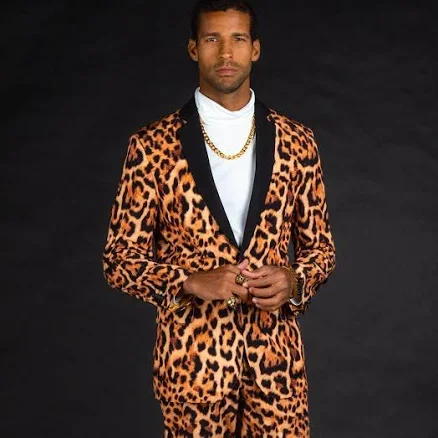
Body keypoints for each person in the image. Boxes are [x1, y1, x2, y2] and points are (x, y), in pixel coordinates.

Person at [102, 0, 336, 436]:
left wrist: (294, 280)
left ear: (255, 49)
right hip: (192, 370)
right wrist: (188, 281)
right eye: (212, 39)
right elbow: (119, 260)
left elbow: (321, 248)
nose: (226, 53)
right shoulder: (151, 146)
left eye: (238, 39)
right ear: (194, 48)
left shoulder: (298, 141)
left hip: (277, 370)